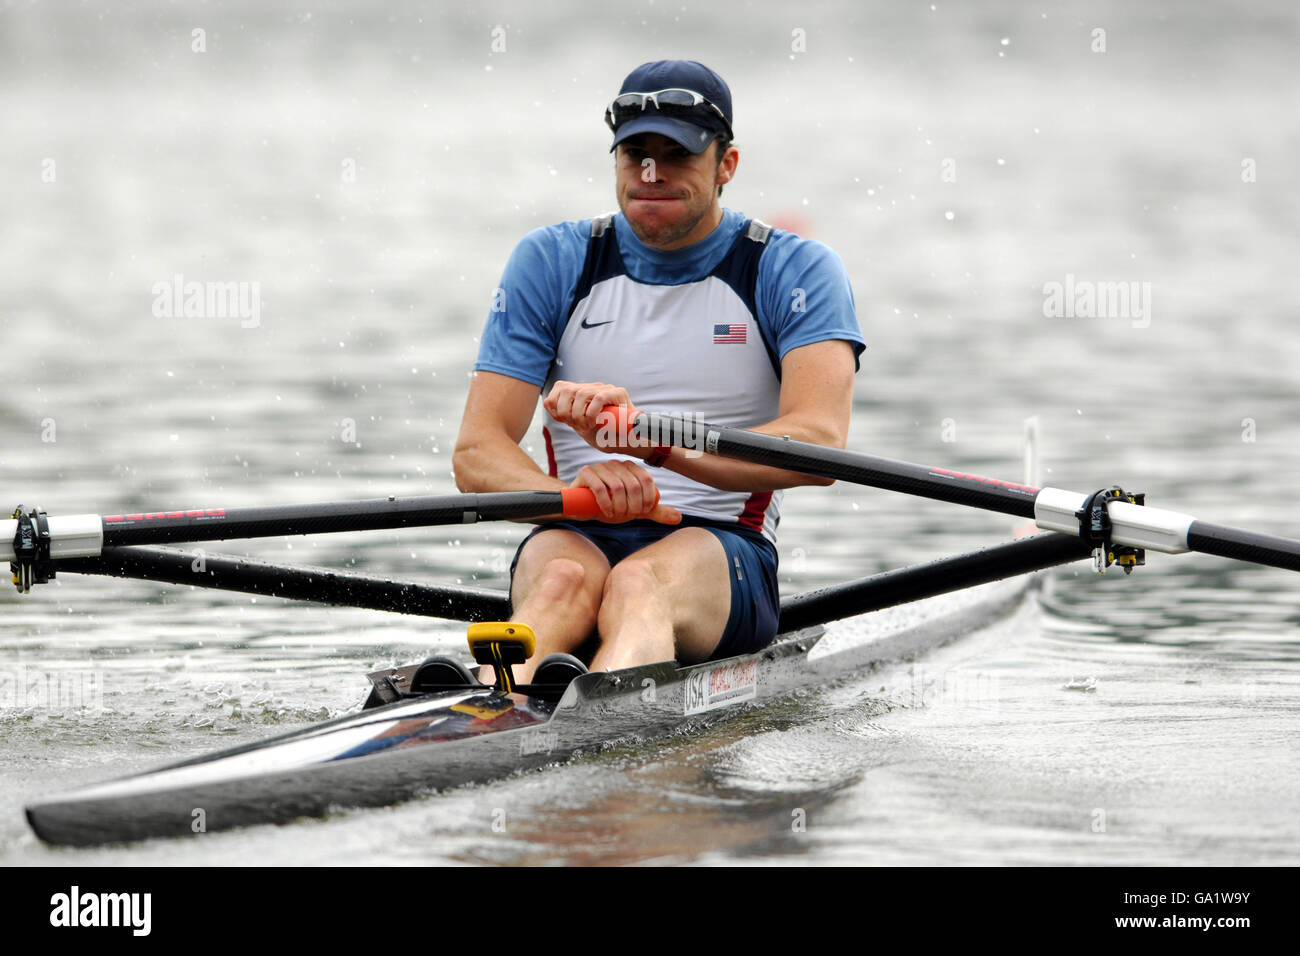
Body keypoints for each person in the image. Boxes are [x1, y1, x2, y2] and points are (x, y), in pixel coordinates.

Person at [452, 60, 864, 685]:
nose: (652, 173)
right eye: (635, 154)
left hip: (723, 547)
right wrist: (578, 503)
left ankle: (585, 733)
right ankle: (487, 710)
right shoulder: (552, 260)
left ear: (726, 165)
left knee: (639, 581)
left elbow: (819, 447)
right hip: (575, 532)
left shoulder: (794, 269)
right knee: (563, 578)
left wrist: (662, 447)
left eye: (677, 154)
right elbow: (477, 455)